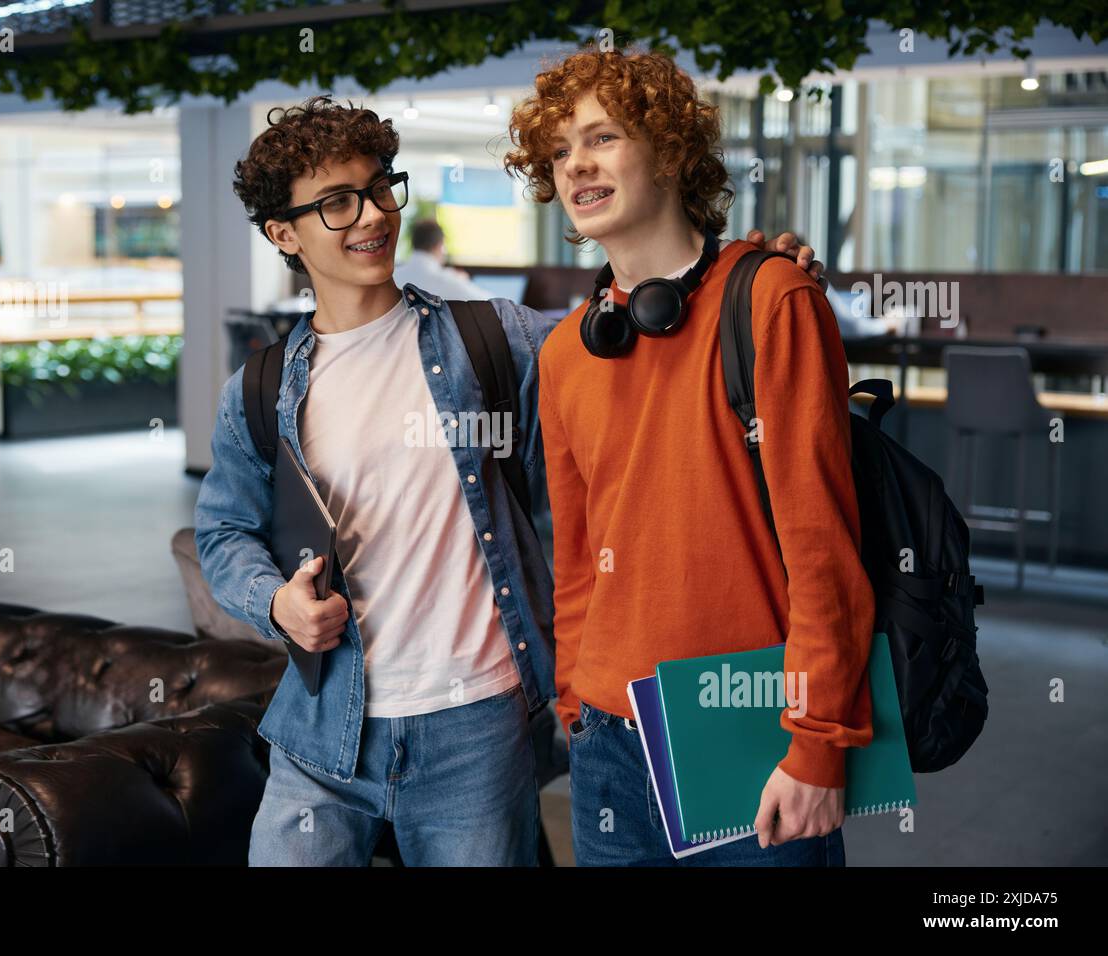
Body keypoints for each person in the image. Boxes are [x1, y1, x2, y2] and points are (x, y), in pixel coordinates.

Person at [195, 94, 822, 866]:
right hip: (324, 729)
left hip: (477, 723)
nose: (372, 216)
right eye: (336, 203)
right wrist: (275, 603)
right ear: (282, 233)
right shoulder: (260, 391)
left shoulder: (495, 338)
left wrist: (744, 275)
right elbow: (223, 533)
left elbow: (650, 338)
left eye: (380, 188)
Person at [504, 46, 875, 866]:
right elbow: (572, 557)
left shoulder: (772, 299)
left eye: (602, 138)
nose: (577, 166)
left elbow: (822, 547)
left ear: (670, 151)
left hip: (748, 730)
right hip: (606, 742)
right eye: (560, 152)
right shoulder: (566, 351)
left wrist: (818, 740)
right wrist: (574, 699)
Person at [393, 218, 494, 300]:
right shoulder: (449, 280)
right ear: (440, 245)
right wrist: (463, 282)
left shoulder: (392, 277)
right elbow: (492, 303)